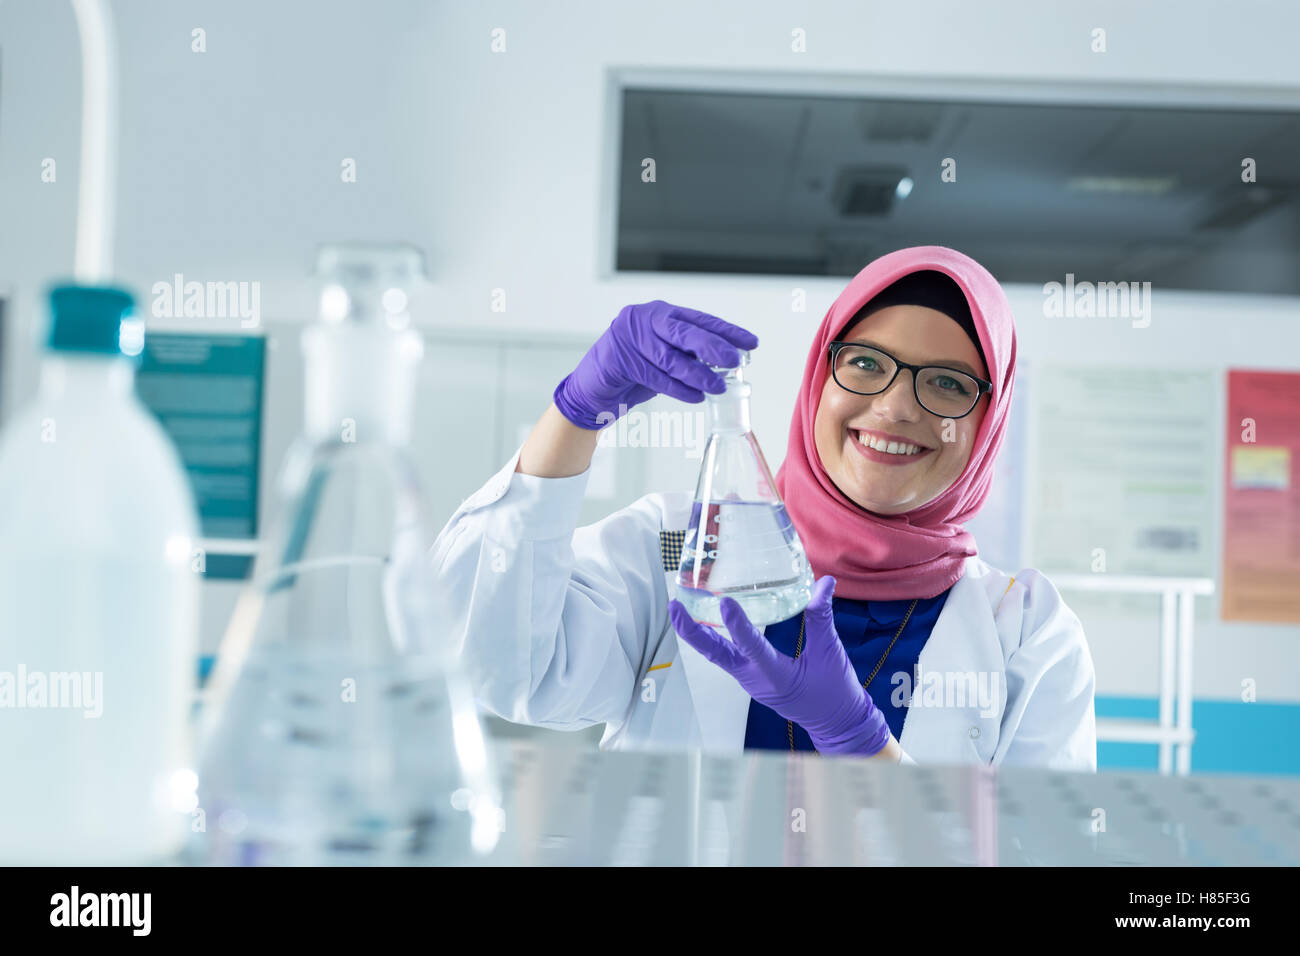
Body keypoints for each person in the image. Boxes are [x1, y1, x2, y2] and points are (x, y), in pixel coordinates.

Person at [430, 245, 1097, 770]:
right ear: (820, 376)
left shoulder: (1027, 631)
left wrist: (860, 742)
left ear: (990, 420)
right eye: (865, 363)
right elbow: (499, 665)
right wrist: (576, 411)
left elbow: (1038, 851)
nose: (895, 405)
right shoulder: (681, 546)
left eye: (948, 383)